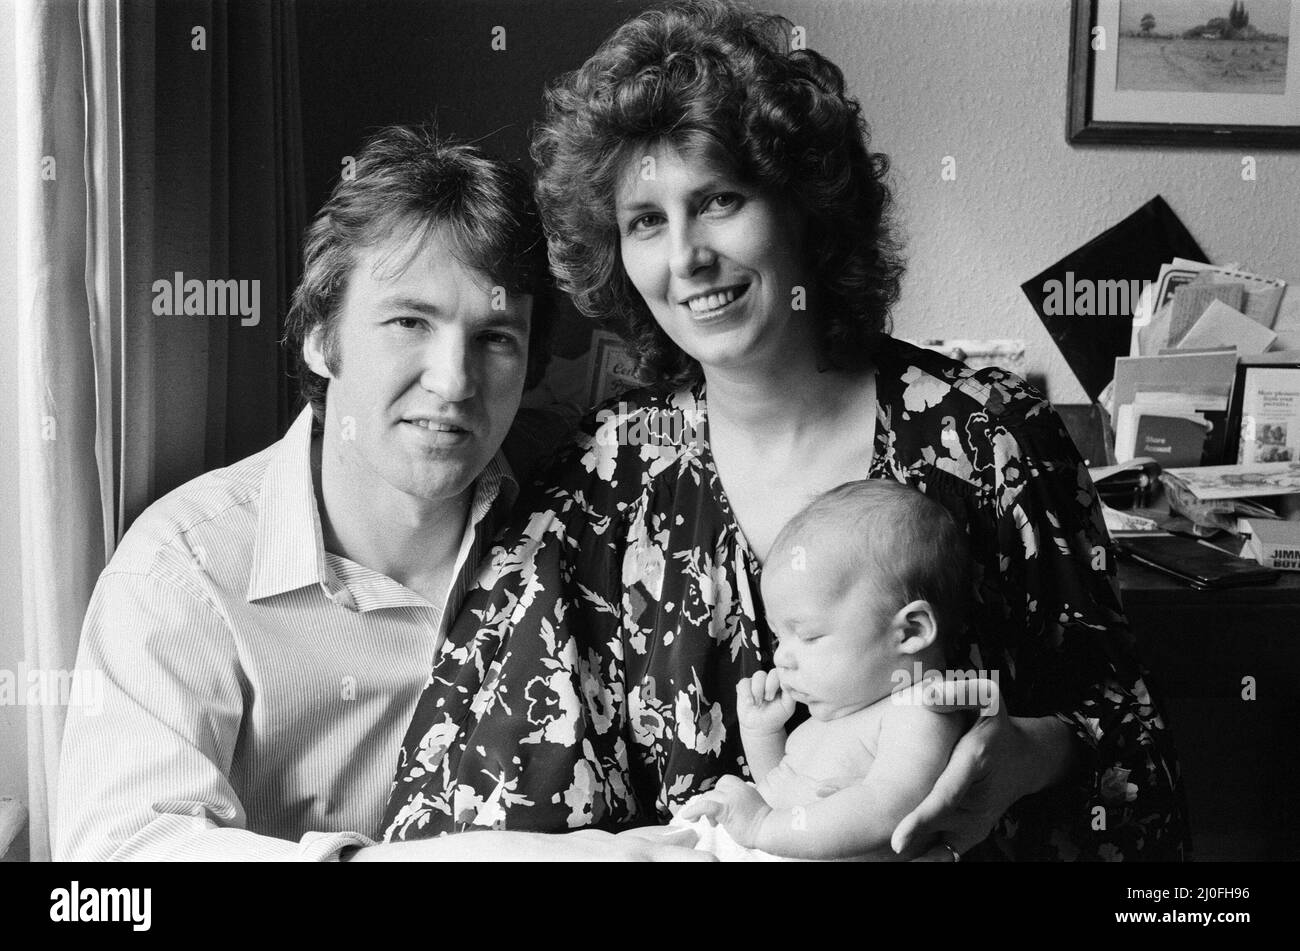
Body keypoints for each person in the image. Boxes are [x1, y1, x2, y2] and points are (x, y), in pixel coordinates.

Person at [382, 0, 1188, 860]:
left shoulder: (988, 440)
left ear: (803, 201)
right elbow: (467, 788)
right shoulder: (601, 480)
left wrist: (1028, 754)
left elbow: (1126, 741)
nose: (686, 256)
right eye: (646, 220)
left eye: (720, 199)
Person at [55, 124, 702, 862]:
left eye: (495, 338)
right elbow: (119, 864)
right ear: (320, 339)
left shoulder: (573, 503)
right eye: (408, 322)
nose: (452, 382)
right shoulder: (182, 571)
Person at [674, 480, 972, 861]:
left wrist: (761, 826)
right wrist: (762, 732)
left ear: (911, 630)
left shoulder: (918, 711)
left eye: (809, 636)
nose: (782, 658)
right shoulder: (837, 711)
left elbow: (884, 811)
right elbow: (781, 789)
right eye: (780, 637)